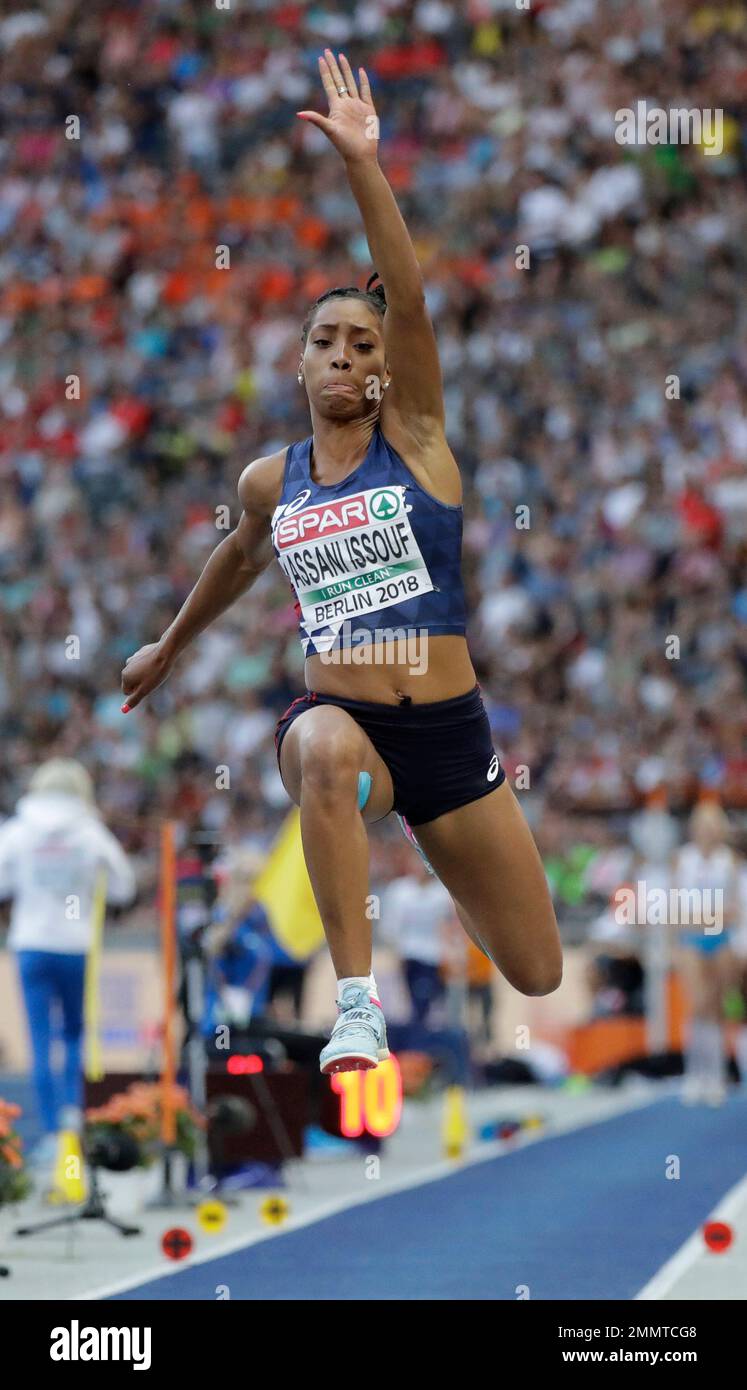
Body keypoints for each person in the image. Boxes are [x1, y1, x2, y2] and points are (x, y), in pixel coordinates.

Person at [120, 50, 562, 1076]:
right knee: (322, 748)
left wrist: (366, 163)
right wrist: (171, 646)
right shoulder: (273, 481)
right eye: (328, 341)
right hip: (342, 726)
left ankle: (416, 833)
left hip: (446, 738)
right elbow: (237, 557)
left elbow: (404, 294)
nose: (349, 356)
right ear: (300, 359)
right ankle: (355, 1006)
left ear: (386, 368)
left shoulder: (416, 440)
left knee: (537, 970)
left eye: (366, 345)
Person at [0, 759, 136, 1163]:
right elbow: (123, 887)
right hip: (75, 946)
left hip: (31, 942)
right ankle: (73, 1121)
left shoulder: (19, 830)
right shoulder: (90, 832)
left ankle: (50, 1139)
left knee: (40, 1041)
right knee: (75, 1035)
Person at [673, 802, 740, 1106]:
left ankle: (714, 1076)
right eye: (703, 824)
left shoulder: (729, 862)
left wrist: (709, 917)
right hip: (692, 939)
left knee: (715, 1006)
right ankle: (694, 1074)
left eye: (713, 825)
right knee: (697, 1004)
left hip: (720, 938)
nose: (708, 831)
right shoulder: (683, 860)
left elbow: (735, 909)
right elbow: (676, 906)